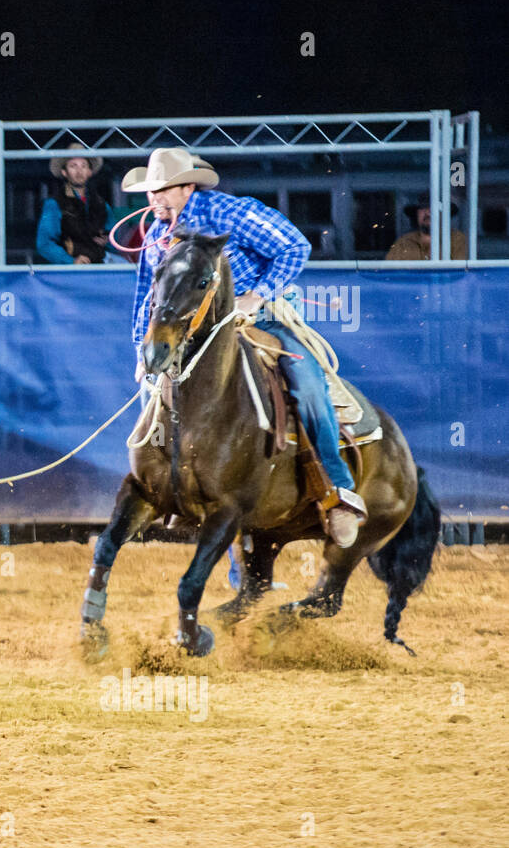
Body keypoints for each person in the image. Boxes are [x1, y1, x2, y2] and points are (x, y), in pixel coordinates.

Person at [124, 146, 367, 548]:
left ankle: (336, 490)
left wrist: (256, 296)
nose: (154, 199)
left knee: (306, 382)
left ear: (187, 187)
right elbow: (146, 298)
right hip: (194, 334)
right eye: (150, 192)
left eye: (162, 190)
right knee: (154, 399)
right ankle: (172, 488)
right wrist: (141, 350)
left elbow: (294, 246)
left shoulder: (230, 213)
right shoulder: (155, 237)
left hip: (263, 319)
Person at [35, 143, 109, 264]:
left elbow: (115, 237)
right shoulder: (54, 204)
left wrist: (107, 240)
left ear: (90, 172)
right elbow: (44, 244)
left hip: (99, 269)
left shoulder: (101, 204)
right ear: (64, 172)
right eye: (73, 166)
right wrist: (70, 261)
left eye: (83, 166)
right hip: (69, 273)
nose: (79, 171)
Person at [386, 196, 468, 260]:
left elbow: (460, 275)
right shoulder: (403, 242)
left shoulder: (457, 239)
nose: (428, 212)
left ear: (443, 214)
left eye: (434, 208)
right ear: (416, 214)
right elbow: (389, 274)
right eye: (422, 208)